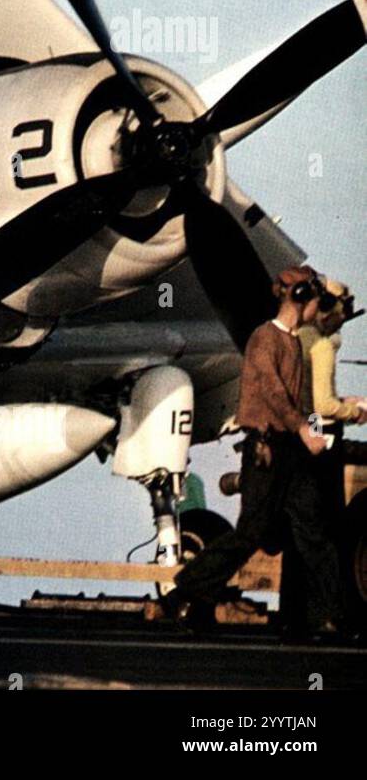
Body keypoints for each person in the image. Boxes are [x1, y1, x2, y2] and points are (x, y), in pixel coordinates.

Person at [161, 267, 343, 638]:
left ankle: (326, 617)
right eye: (315, 300)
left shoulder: (292, 342)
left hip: (290, 450)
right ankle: (189, 591)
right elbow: (275, 394)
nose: (319, 310)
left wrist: (311, 431)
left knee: (314, 534)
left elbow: (295, 401)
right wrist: (303, 429)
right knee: (249, 535)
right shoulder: (265, 339)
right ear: (299, 299)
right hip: (267, 451)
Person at [280, 278, 365, 634]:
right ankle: (328, 614)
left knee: (300, 533)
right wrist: (355, 410)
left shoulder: (299, 338)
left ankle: (295, 617)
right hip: (319, 437)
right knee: (325, 531)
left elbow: (309, 406)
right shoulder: (322, 346)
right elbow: (323, 405)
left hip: (300, 434)